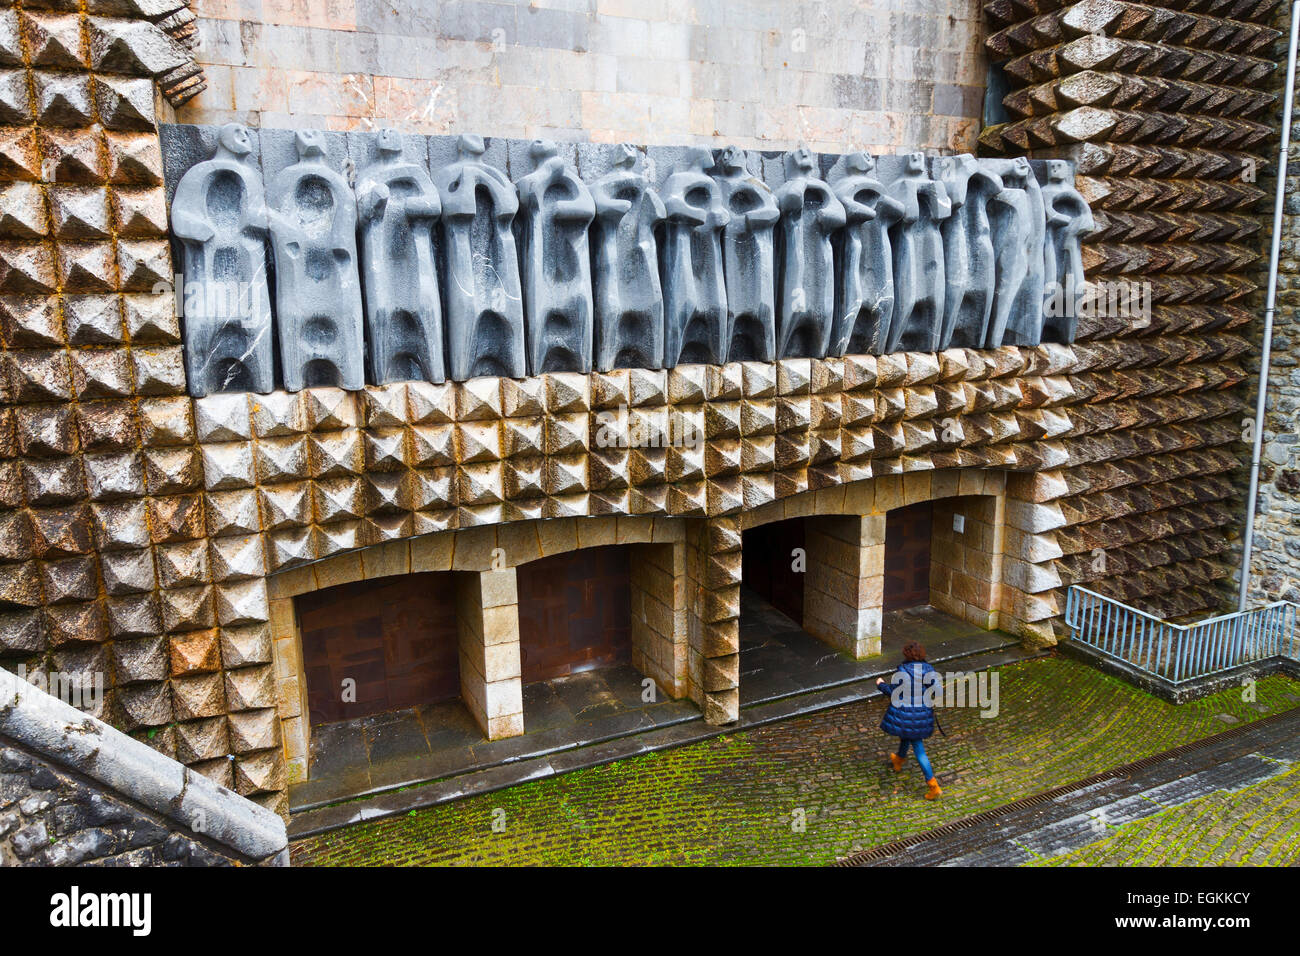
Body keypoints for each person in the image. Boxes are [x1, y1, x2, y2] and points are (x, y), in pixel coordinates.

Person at [875, 641, 942, 800]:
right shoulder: (929, 670)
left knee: (919, 750)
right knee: (907, 735)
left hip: (906, 714)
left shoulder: (903, 671)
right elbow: (937, 691)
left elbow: (892, 692)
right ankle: (898, 759)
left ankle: (933, 786)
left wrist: (881, 684)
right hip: (921, 714)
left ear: (907, 655)